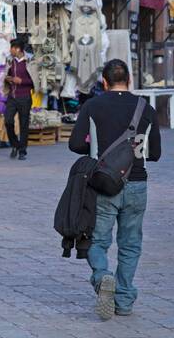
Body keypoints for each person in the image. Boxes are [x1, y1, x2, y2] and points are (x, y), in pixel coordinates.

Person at [68, 59, 161, 320]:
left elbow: (75, 144)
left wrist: (98, 150)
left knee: (98, 241)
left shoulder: (92, 106)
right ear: (129, 81)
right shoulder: (146, 108)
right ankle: (124, 300)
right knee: (130, 244)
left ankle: (102, 276)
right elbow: (155, 153)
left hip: (104, 183)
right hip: (137, 184)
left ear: (104, 82)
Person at [4, 38, 34, 160]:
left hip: (25, 96)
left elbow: (34, 81)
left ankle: (22, 150)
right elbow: (6, 74)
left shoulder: (30, 62)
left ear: (18, 49)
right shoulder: (10, 61)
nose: (10, 50)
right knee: (8, 121)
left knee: (24, 124)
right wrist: (8, 78)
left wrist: (22, 81)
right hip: (12, 96)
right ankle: (15, 144)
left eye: (12, 48)